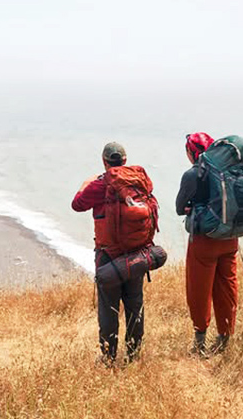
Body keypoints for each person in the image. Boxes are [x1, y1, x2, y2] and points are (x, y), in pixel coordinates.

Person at [71, 142, 145, 366]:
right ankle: (133, 355)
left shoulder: (100, 184)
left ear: (104, 161)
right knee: (135, 304)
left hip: (108, 255)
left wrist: (87, 183)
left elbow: (77, 204)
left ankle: (109, 357)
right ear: (124, 160)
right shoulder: (137, 181)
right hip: (136, 253)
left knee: (108, 307)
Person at [176, 132, 238, 356]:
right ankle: (225, 339)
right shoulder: (229, 169)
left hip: (204, 241)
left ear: (192, 153)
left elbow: (178, 207)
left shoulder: (192, 174)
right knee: (227, 286)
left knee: (199, 290)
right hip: (231, 237)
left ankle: (200, 343)